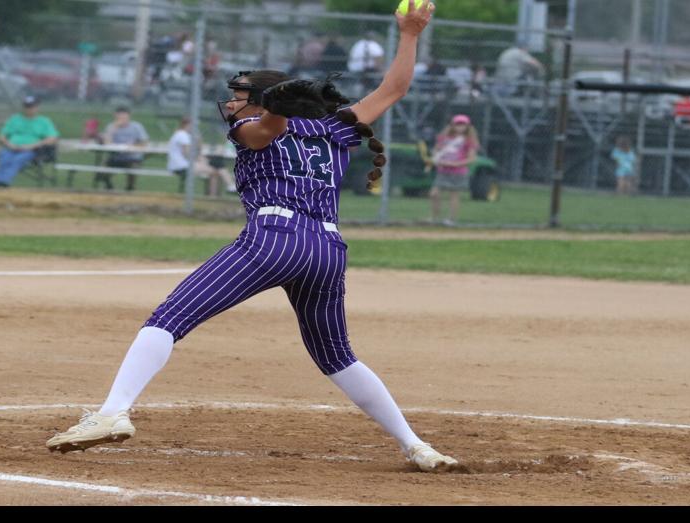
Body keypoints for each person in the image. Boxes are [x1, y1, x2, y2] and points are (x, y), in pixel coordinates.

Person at [47, 2, 459, 472]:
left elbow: (265, 131)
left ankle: (111, 412)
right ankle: (416, 446)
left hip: (274, 238)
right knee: (337, 357)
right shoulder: (336, 129)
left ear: (263, 101)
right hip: (326, 251)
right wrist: (410, 33)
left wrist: (276, 111)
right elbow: (395, 88)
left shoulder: (253, 124)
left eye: (241, 94)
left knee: (168, 318)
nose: (232, 102)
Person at [0, 95, 59, 187]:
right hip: (11, 147)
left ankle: (2, 182)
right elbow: (2, 135)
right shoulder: (15, 119)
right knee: (4, 158)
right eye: (27, 106)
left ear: (37, 107)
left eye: (32, 106)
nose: (29, 109)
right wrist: (9, 144)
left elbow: (52, 138)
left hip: (31, 150)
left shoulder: (44, 121)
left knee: (17, 160)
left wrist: (33, 145)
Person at [429, 113, 478, 226]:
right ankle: (434, 217)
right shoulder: (444, 138)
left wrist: (456, 164)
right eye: (457, 124)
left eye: (463, 125)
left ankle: (451, 219)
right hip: (443, 171)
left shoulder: (468, 140)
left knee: (454, 195)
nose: (460, 127)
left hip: (458, 172)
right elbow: (436, 150)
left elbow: (471, 158)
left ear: (467, 126)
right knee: (434, 194)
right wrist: (437, 158)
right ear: (452, 125)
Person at [96, 106, 149, 191]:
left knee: (133, 169)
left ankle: (130, 188)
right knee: (101, 172)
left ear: (129, 116)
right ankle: (109, 186)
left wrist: (132, 146)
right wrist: (113, 128)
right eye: (119, 116)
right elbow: (106, 143)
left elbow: (144, 142)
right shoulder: (111, 126)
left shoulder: (137, 127)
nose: (121, 118)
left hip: (132, 157)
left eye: (124, 116)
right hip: (115, 157)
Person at [167, 115, 194, 191]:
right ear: (187, 125)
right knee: (213, 170)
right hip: (181, 166)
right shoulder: (183, 135)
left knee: (214, 170)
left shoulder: (179, 133)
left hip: (178, 164)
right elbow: (186, 153)